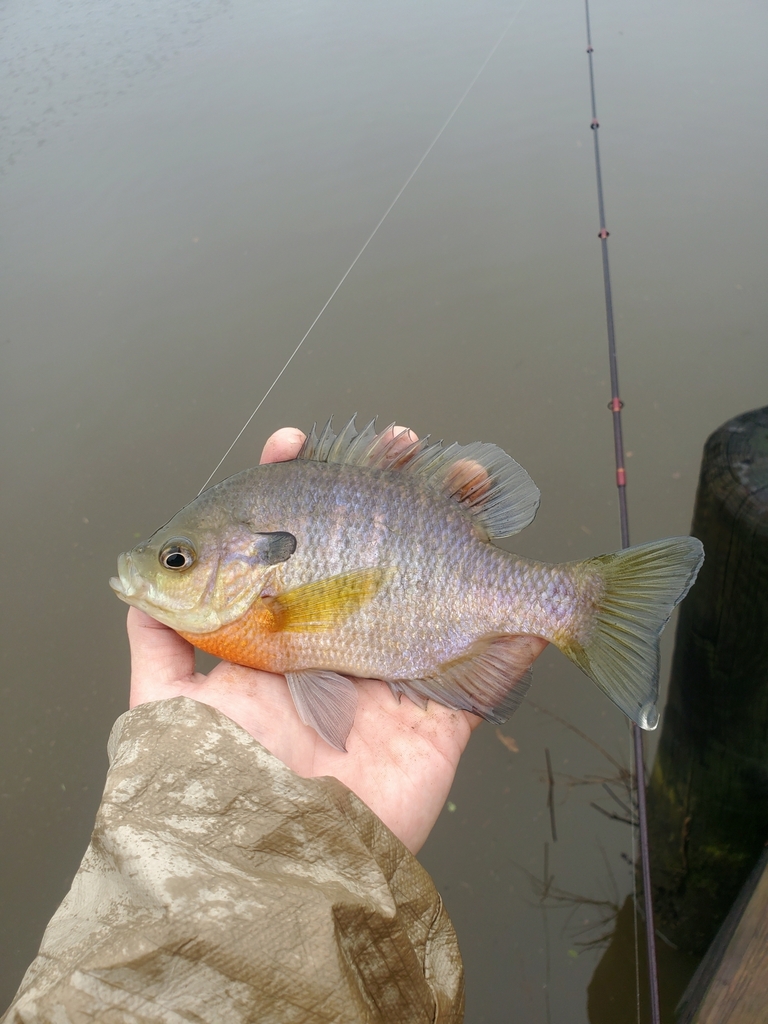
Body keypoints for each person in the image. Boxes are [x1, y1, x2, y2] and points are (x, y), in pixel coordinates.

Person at [2, 427, 493, 1024]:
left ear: (253, 559)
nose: (158, 571)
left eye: (176, 561)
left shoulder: (267, 611)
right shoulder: (258, 614)